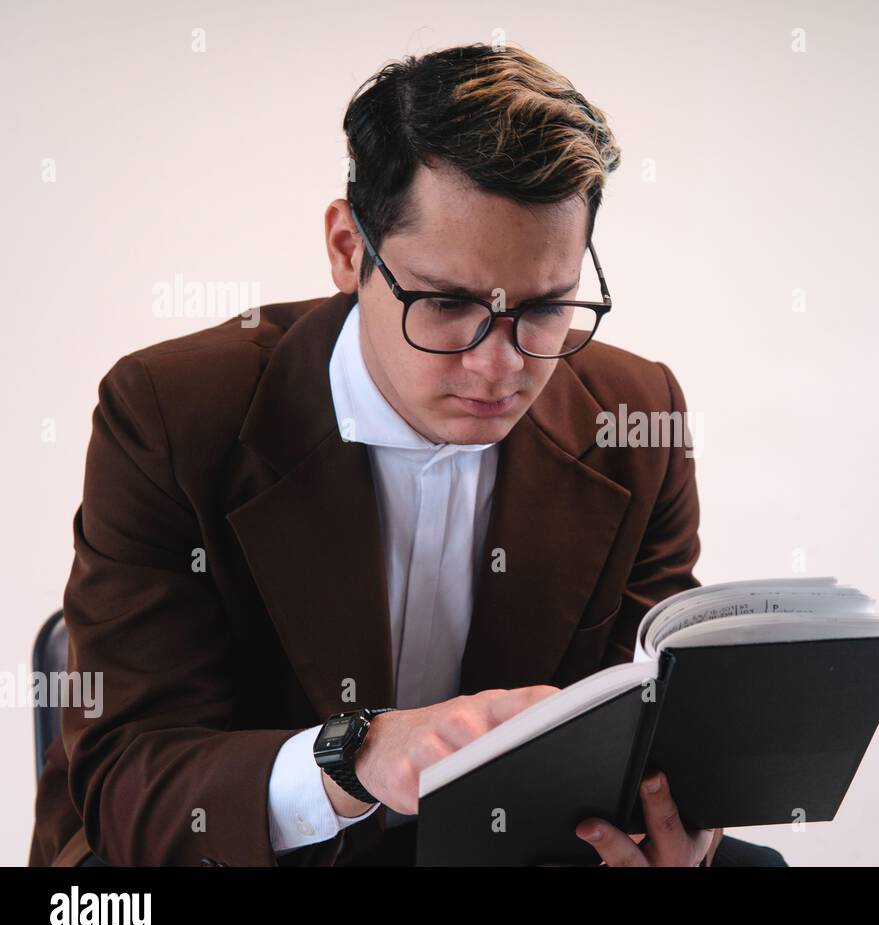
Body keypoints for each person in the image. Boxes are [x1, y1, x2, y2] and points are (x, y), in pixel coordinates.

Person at [29, 42, 785, 867]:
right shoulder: (170, 413)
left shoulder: (637, 417)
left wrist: (678, 823)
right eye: (449, 303)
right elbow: (129, 781)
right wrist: (355, 757)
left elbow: (646, 715)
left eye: (546, 308)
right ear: (350, 251)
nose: (502, 365)